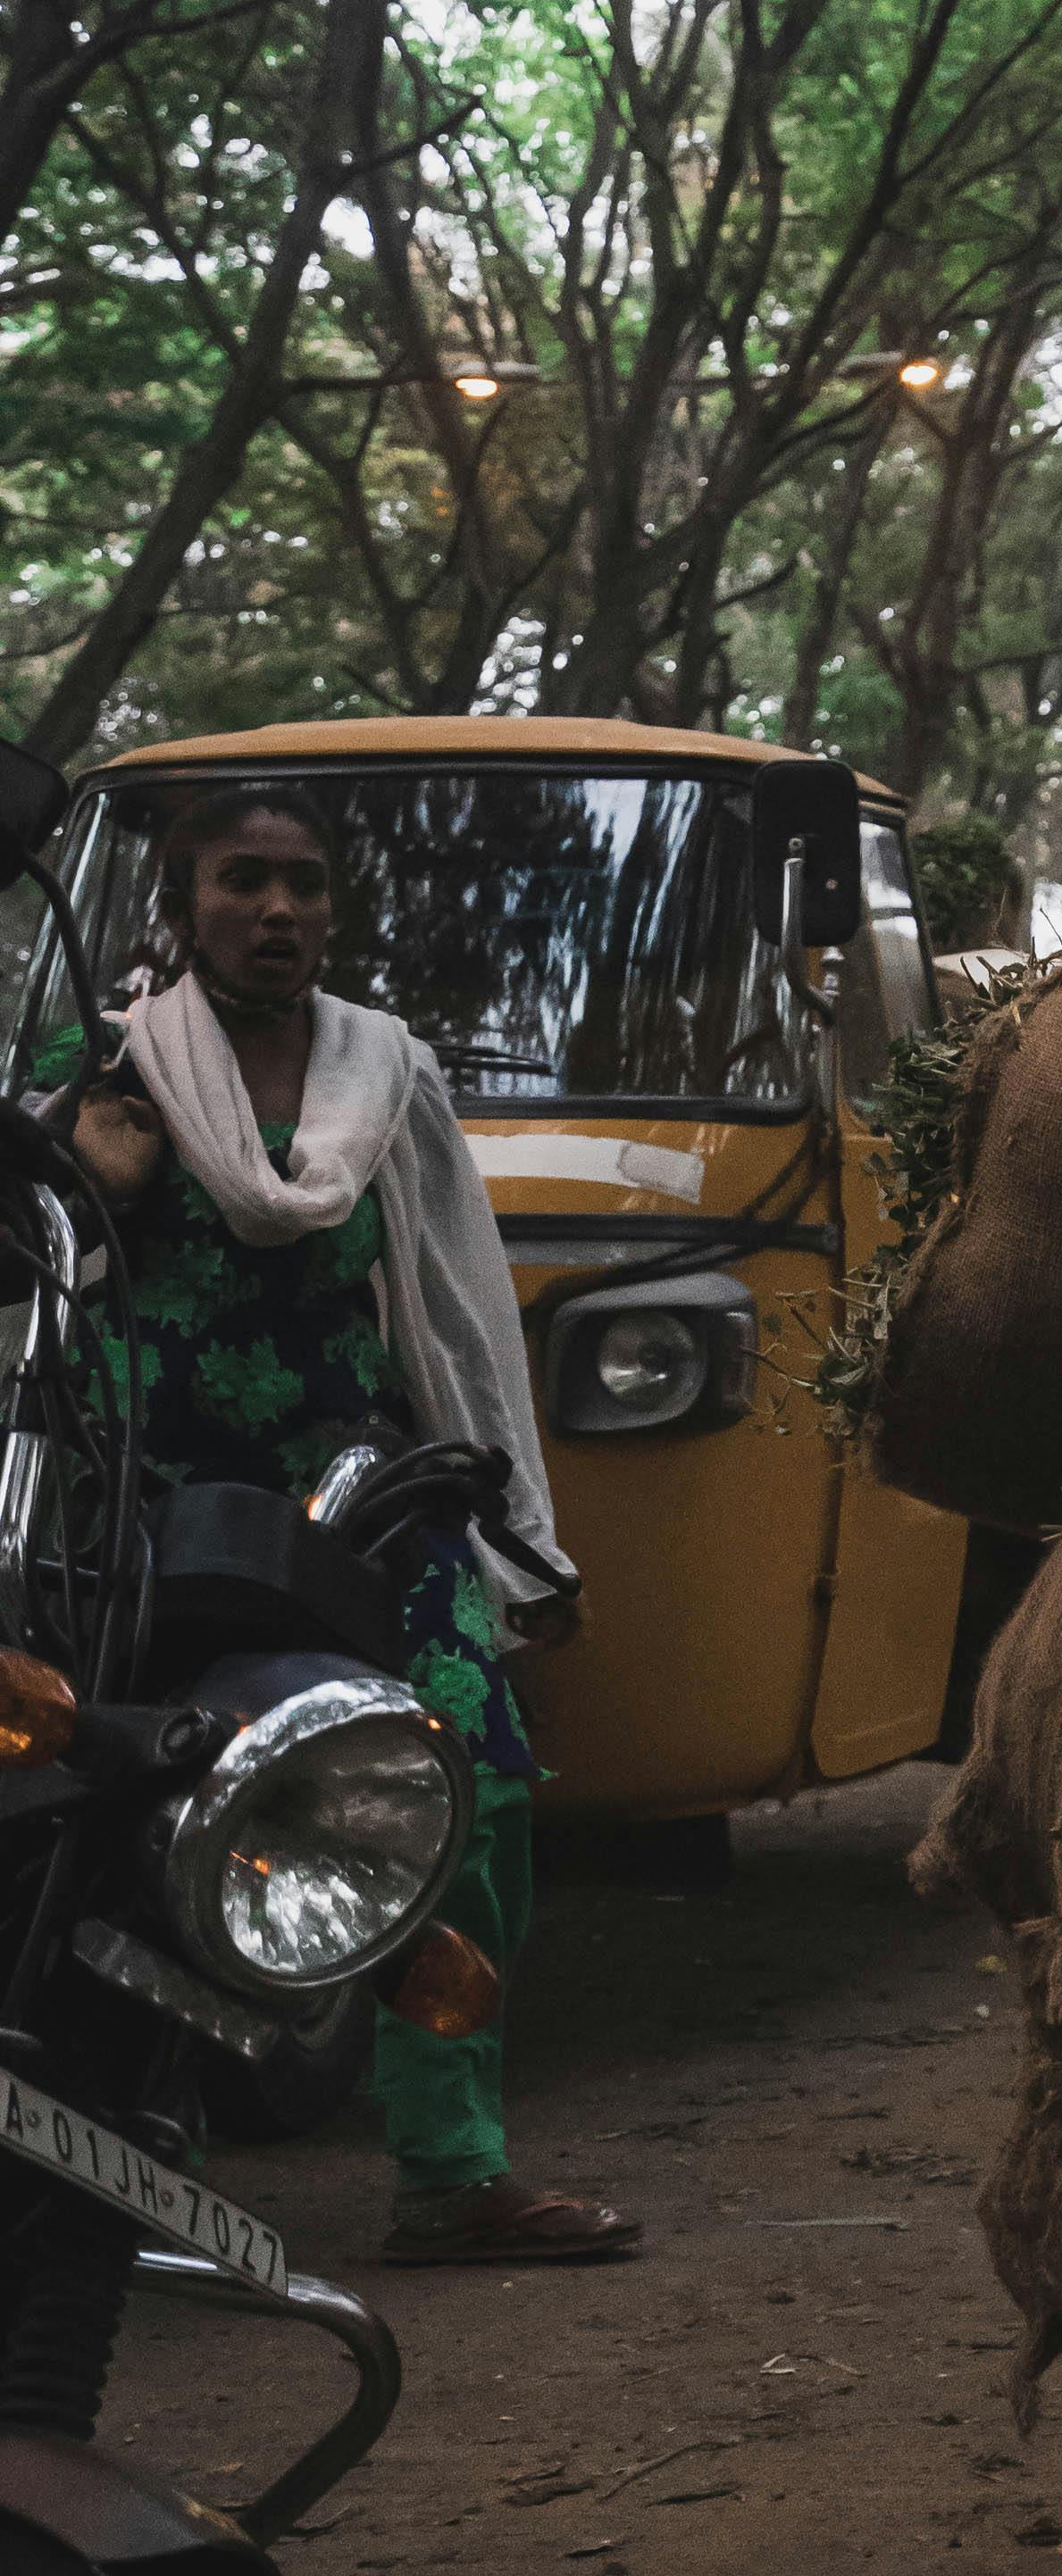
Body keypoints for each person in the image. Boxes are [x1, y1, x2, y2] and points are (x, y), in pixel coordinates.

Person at [56, 785, 639, 2270]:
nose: (278, 912)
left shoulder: (389, 1073)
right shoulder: (106, 1069)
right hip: (145, 1512)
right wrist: (86, 1186)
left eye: (305, 886)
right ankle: (130, 2162)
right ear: (184, 906)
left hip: (362, 1503)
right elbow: (24, 1297)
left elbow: (456, 1304)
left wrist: (516, 1532)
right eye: (243, 882)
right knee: (134, 1815)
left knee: (475, 1789)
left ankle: (451, 2174)